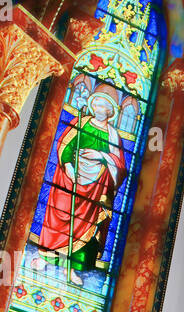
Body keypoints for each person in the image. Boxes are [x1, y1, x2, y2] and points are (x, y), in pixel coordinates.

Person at [34, 88, 125, 285]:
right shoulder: (81, 122)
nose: (100, 108)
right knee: (58, 218)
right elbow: (64, 144)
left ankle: (73, 269)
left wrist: (101, 156)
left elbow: (120, 165)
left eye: (105, 106)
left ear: (111, 111)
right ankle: (45, 258)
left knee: (85, 227)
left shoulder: (112, 135)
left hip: (95, 185)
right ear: (92, 105)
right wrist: (67, 165)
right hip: (69, 179)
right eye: (98, 104)